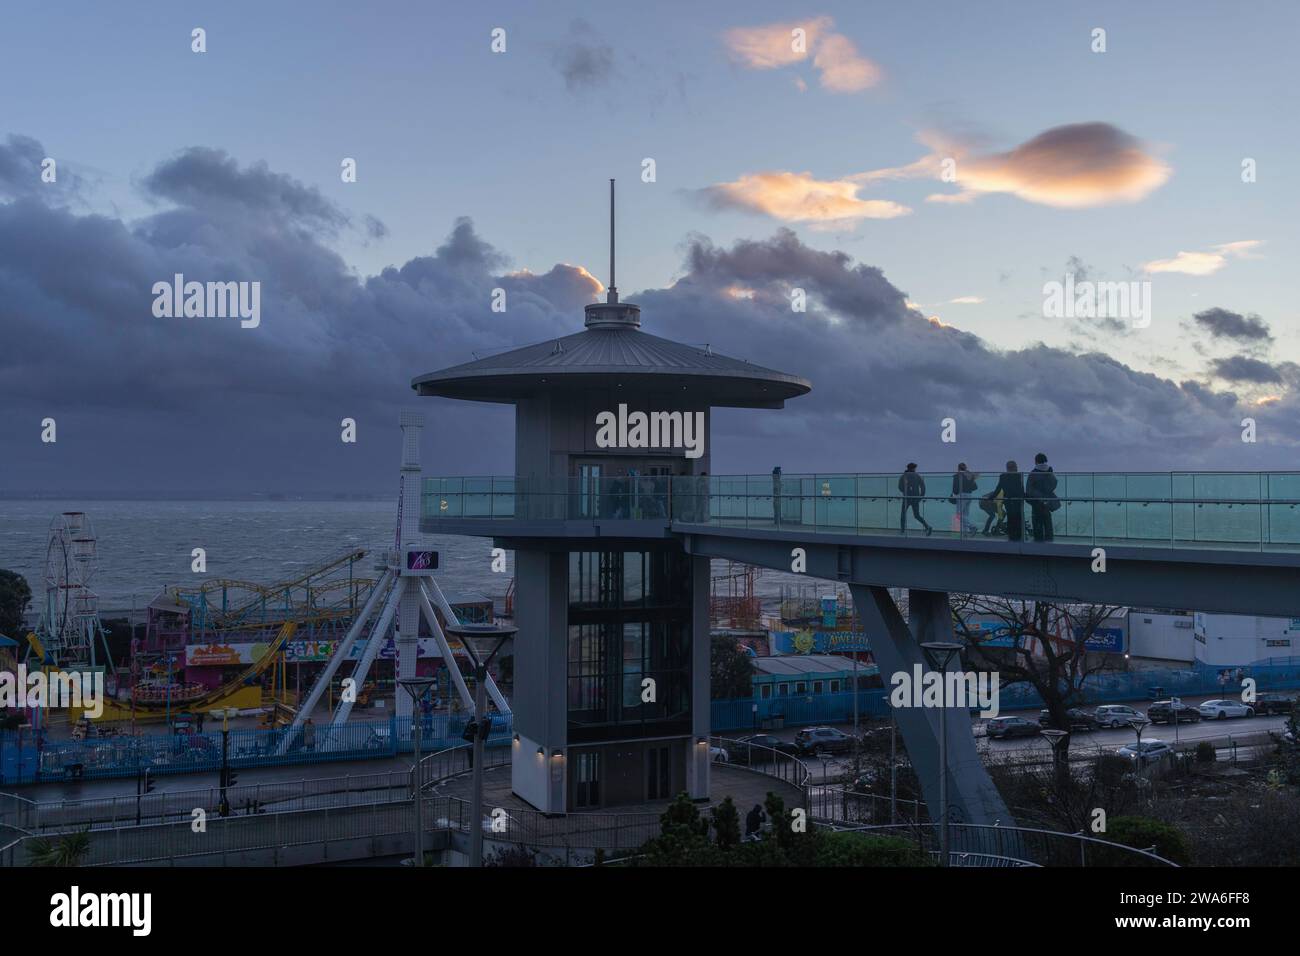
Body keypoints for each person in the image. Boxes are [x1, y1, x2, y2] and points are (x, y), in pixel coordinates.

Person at [1025, 452, 1058, 542]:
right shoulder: (1050, 472)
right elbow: (1054, 483)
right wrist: (1047, 492)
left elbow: (1029, 490)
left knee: (1037, 521)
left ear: (1036, 461)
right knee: (1047, 520)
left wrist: (1038, 495)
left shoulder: (1033, 473)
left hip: (1036, 501)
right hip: (1047, 500)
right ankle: (1049, 539)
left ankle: (1038, 540)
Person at [898, 463, 932, 535]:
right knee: (916, 515)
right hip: (915, 498)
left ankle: (902, 530)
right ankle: (927, 526)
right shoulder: (917, 476)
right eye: (915, 468)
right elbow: (923, 487)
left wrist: (905, 491)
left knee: (903, 514)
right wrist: (920, 496)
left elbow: (900, 487)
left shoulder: (904, 476)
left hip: (906, 498)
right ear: (913, 468)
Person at [994, 461, 1025, 542]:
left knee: (1011, 518)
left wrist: (991, 497)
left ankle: (1011, 536)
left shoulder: (1003, 476)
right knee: (1018, 518)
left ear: (1007, 468)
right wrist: (1025, 497)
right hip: (1017, 500)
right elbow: (1020, 489)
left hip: (1008, 500)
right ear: (1015, 467)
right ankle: (1019, 536)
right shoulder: (1018, 475)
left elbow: (998, 489)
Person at [950, 463, 980, 535]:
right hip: (969, 495)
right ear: (965, 468)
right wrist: (968, 486)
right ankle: (965, 533)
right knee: (965, 515)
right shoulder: (969, 475)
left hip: (962, 495)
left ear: (958, 468)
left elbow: (955, 489)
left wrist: (954, 494)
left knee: (958, 515)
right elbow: (975, 487)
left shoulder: (957, 475)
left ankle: (972, 526)